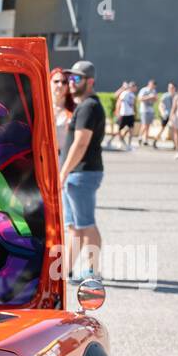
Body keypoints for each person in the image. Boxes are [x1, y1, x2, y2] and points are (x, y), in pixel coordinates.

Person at [59, 60, 106, 283]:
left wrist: (64, 172)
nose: (71, 82)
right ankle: (65, 271)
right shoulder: (84, 105)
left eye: (77, 78)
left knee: (86, 223)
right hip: (76, 174)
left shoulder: (89, 106)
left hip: (82, 173)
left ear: (90, 82)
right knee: (74, 227)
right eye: (70, 78)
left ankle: (92, 270)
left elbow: (80, 144)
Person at [50, 68, 75, 164]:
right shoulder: (41, 108)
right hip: (45, 159)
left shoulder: (74, 109)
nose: (60, 85)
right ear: (49, 82)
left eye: (64, 82)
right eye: (56, 81)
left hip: (66, 159)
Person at [114, 82, 137, 150]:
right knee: (119, 129)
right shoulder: (124, 93)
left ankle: (129, 144)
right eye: (134, 87)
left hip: (130, 114)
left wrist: (135, 112)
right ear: (131, 87)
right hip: (123, 114)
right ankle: (119, 142)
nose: (136, 88)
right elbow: (118, 102)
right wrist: (117, 112)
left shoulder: (133, 95)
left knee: (131, 130)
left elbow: (133, 105)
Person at [156, 82, 176, 148]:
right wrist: (162, 113)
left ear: (174, 88)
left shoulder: (176, 96)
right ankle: (155, 140)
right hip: (166, 115)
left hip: (173, 115)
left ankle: (175, 144)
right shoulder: (165, 96)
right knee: (162, 128)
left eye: (172, 87)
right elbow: (160, 105)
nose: (171, 89)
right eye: (169, 87)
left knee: (173, 129)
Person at [138, 79, 157, 143]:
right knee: (144, 124)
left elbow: (156, 100)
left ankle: (145, 139)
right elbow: (140, 98)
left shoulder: (154, 91)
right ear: (149, 84)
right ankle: (140, 136)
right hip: (144, 110)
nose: (153, 86)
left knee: (148, 125)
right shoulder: (144, 90)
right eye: (152, 85)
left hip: (150, 110)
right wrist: (149, 97)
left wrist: (154, 98)